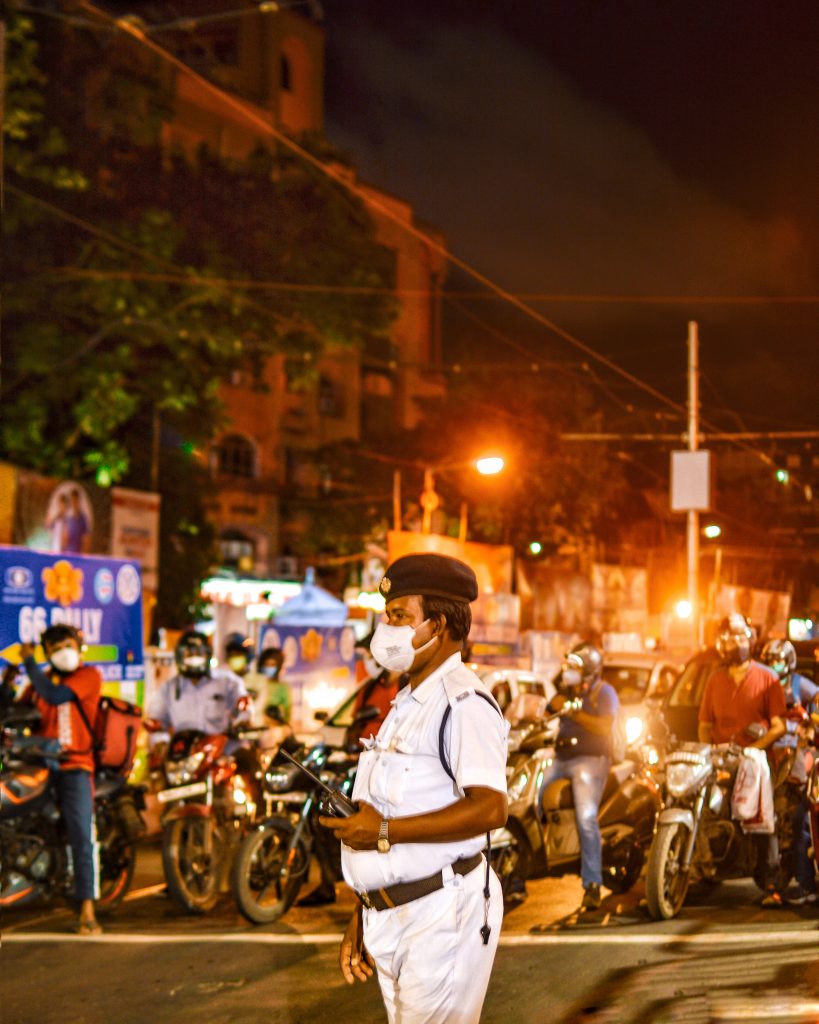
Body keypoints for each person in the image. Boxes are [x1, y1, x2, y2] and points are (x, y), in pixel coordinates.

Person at [318, 553, 508, 1024]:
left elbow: (490, 809)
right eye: (388, 616)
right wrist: (365, 908)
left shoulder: (463, 703)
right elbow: (385, 808)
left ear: (438, 626)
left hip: (442, 916)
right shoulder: (405, 703)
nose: (388, 628)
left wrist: (383, 831)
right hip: (397, 914)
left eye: (400, 616)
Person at [298, 665, 404, 909]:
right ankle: (329, 881)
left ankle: (380, 887)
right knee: (326, 812)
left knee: (377, 828)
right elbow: (353, 724)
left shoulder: (408, 686)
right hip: (360, 762)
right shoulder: (368, 689)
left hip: (390, 768)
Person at [698, 614, 787, 905]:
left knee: (764, 817)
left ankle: (772, 884)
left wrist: (754, 748)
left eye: (741, 636)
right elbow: (704, 725)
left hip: (756, 760)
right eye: (730, 637)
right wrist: (708, 752)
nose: (736, 642)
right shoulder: (714, 680)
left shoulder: (767, 678)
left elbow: (779, 726)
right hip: (721, 758)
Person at [19, 625, 102, 935]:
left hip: (75, 767)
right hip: (40, 767)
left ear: (78, 646)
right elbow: (18, 708)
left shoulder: (88, 676)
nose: (62, 652)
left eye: (67, 645)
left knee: (81, 835)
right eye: (54, 648)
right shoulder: (40, 682)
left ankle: (88, 910)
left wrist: (29, 663)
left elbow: (55, 697)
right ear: (48, 654)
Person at [536, 642, 618, 911]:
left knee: (586, 817)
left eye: (574, 668)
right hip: (560, 758)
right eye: (568, 667)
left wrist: (577, 714)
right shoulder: (565, 691)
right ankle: (521, 872)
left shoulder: (604, 693)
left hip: (590, 761)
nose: (568, 672)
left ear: (590, 671)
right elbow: (546, 714)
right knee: (531, 802)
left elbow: (604, 726)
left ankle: (592, 883)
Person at [761, 638, 819, 905]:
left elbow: (816, 701)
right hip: (768, 752)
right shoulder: (765, 685)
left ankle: (804, 883)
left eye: (778, 660)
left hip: (797, 753)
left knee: (801, 817)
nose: (774, 665)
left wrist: (810, 723)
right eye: (770, 660)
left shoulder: (798, 684)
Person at [146, 630, 249, 738]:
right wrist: (158, 737)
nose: (194, 658)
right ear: (179, 656)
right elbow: (156, 722)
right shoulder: (168, 688)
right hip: (182, 751)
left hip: (221, 749)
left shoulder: (229, 681)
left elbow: (245, 710)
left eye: (199, 653)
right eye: (188, 654)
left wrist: (230, 733)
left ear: (208, 654)